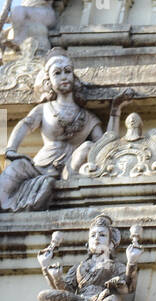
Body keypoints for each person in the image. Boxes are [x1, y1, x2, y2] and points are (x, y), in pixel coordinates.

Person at [0, 50, 127, 212]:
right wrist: (11, 149)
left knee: (88, 146)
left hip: (69, 169)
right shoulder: (44, 109)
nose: (64, 76)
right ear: (49, 81)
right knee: (15, 168)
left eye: (68, 71)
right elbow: (25, 125)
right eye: (57, 73)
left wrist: (115, 110)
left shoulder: (87, 116)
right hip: (39, 166)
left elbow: (104, 146)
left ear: (74, 77)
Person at [37, 213, 142, 301]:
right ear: (88, 243)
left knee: (114, 299)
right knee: (43, 296)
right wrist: (53, 275)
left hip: (102, 299)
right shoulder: (79, 267)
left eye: (102, 235)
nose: (96, 238)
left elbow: (129, 287)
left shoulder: (115, 265)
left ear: (111, 243)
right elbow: (67, 291)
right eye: (93, 235)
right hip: (80, 298)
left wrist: (131, 262)